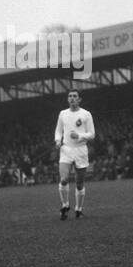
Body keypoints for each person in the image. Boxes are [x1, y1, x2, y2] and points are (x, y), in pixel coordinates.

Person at [55, 90, 96, 219]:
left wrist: (79, 135)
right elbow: (58, 131)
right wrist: (57, 140)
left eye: (75, 96)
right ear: (68, 99)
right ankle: (65, 205)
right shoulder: (62, 114)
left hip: (80, 150)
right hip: (66, 149)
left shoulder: (86, 114)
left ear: (79, 99)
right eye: (70, 96)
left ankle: (78, 209)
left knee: (79, 183)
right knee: (63, 179)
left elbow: (92, 134)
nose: (72, 98)